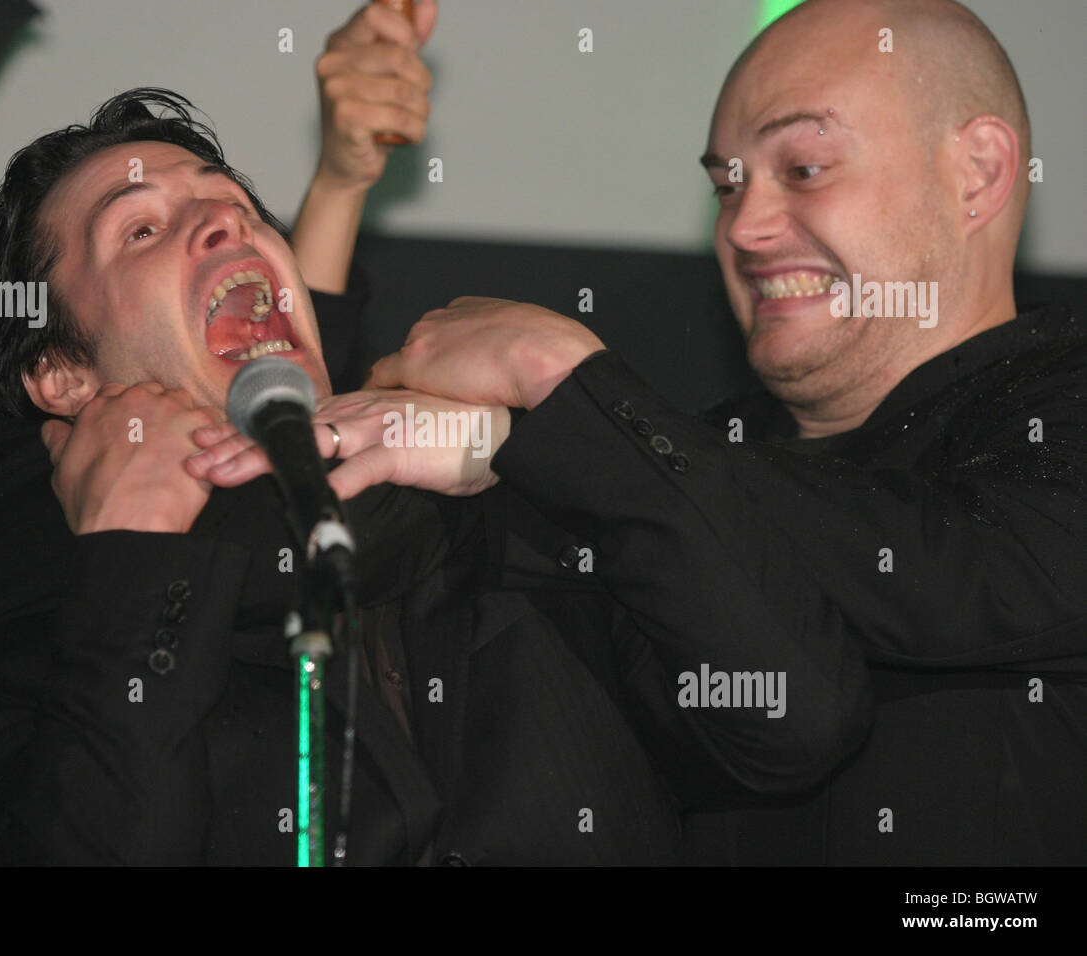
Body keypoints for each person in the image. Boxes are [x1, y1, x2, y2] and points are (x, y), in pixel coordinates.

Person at [0, 8, 870, 866]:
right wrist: (137, 558)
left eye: (232, 203)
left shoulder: (502, 512)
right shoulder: (63, 586)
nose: (225, 220)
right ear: (62, 377)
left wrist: (560, 379)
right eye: (142, 229)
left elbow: (797, 716)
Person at [193, 0, 1084, 864]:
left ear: (978, 173)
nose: (746, 225)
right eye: (725, 185)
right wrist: (342, 189)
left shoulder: (1057, 407)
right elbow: (347, 527)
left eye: (804, 168)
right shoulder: (650, 458)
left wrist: (558, 384)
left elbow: (958, 574)